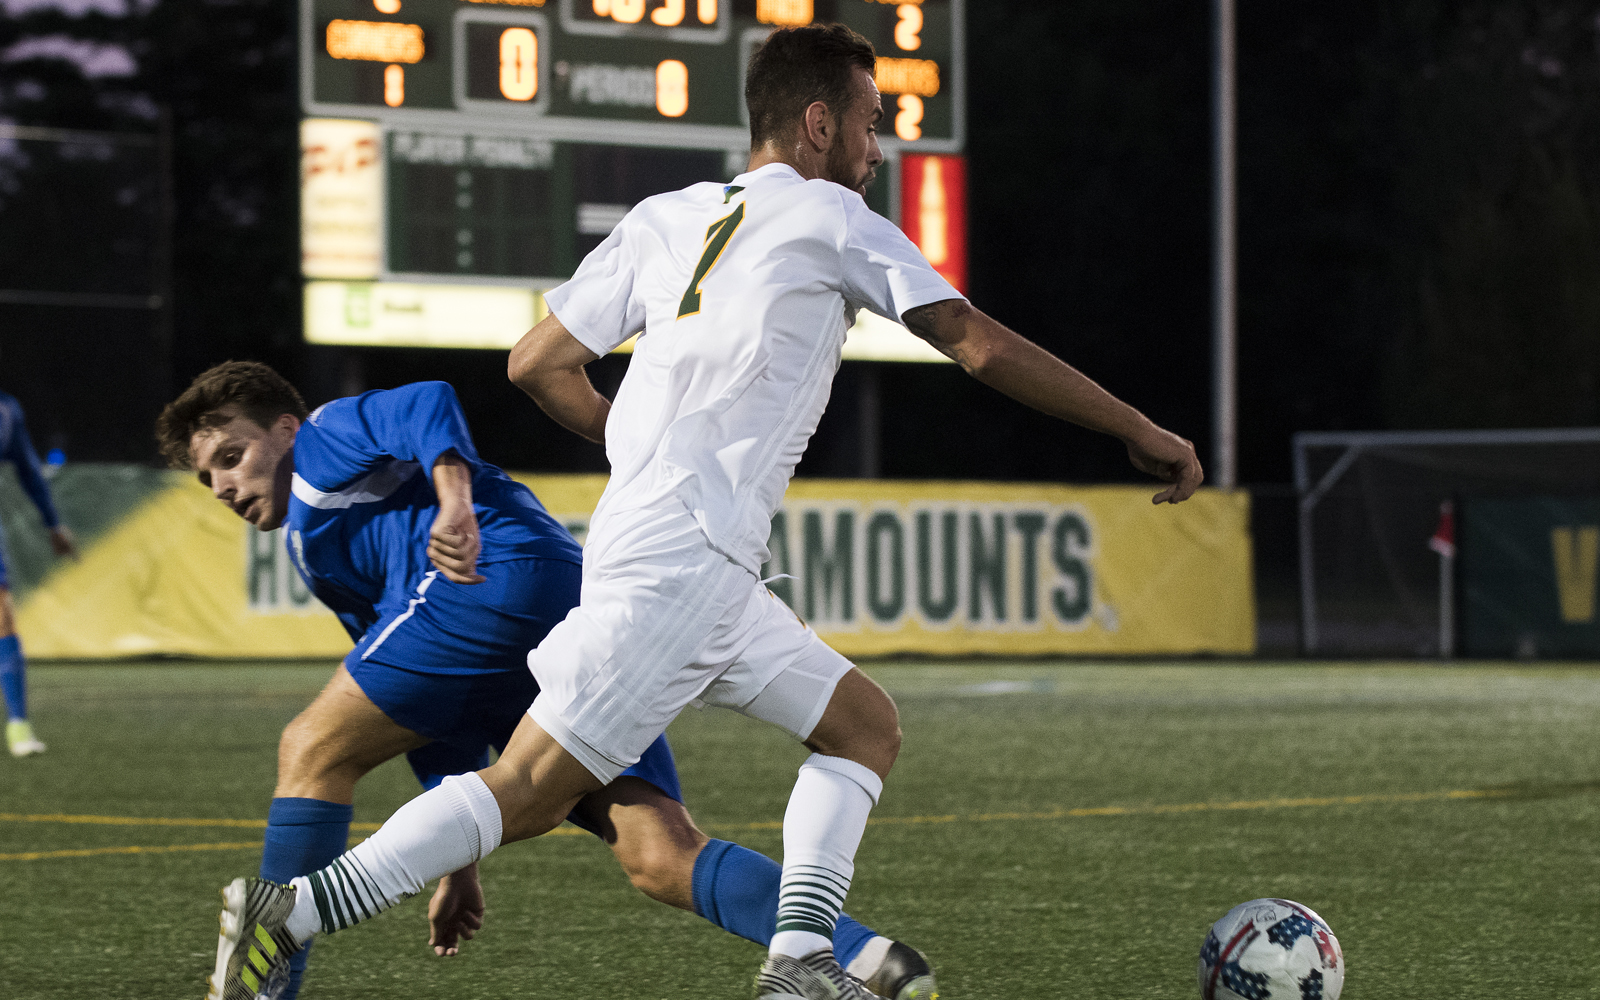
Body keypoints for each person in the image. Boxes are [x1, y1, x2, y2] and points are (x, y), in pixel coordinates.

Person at [208, 22, 1202, 1000]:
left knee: (862, 725)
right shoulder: (834, 220)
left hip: (694, 558)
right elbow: (975, 342)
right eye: (870, 120)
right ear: (817, 125)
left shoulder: (667, 216)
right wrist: (1134, 426)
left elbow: (534, 362)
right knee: (525, 792)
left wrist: (640, 444)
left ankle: (802, 958)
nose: (879, 143)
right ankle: (291, 912)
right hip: (682, 561)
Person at [157, 362, 933, 1000]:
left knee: (312, 746)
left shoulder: (322, 438)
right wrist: (456, 862)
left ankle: (269, 968)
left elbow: (426, 401)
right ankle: (865, 959)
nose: (224, 485)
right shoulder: (315, 545)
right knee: (658, 852)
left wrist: (454, 505)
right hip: (565, 612)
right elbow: (441, 719)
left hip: (493, 582)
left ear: (283, 432)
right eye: (207, 478)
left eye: (232, 456)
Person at [0, 391, 77, 757]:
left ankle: (18, 726)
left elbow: (29, 469)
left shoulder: (7, 409)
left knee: (3, 616)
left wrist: (54, 524)